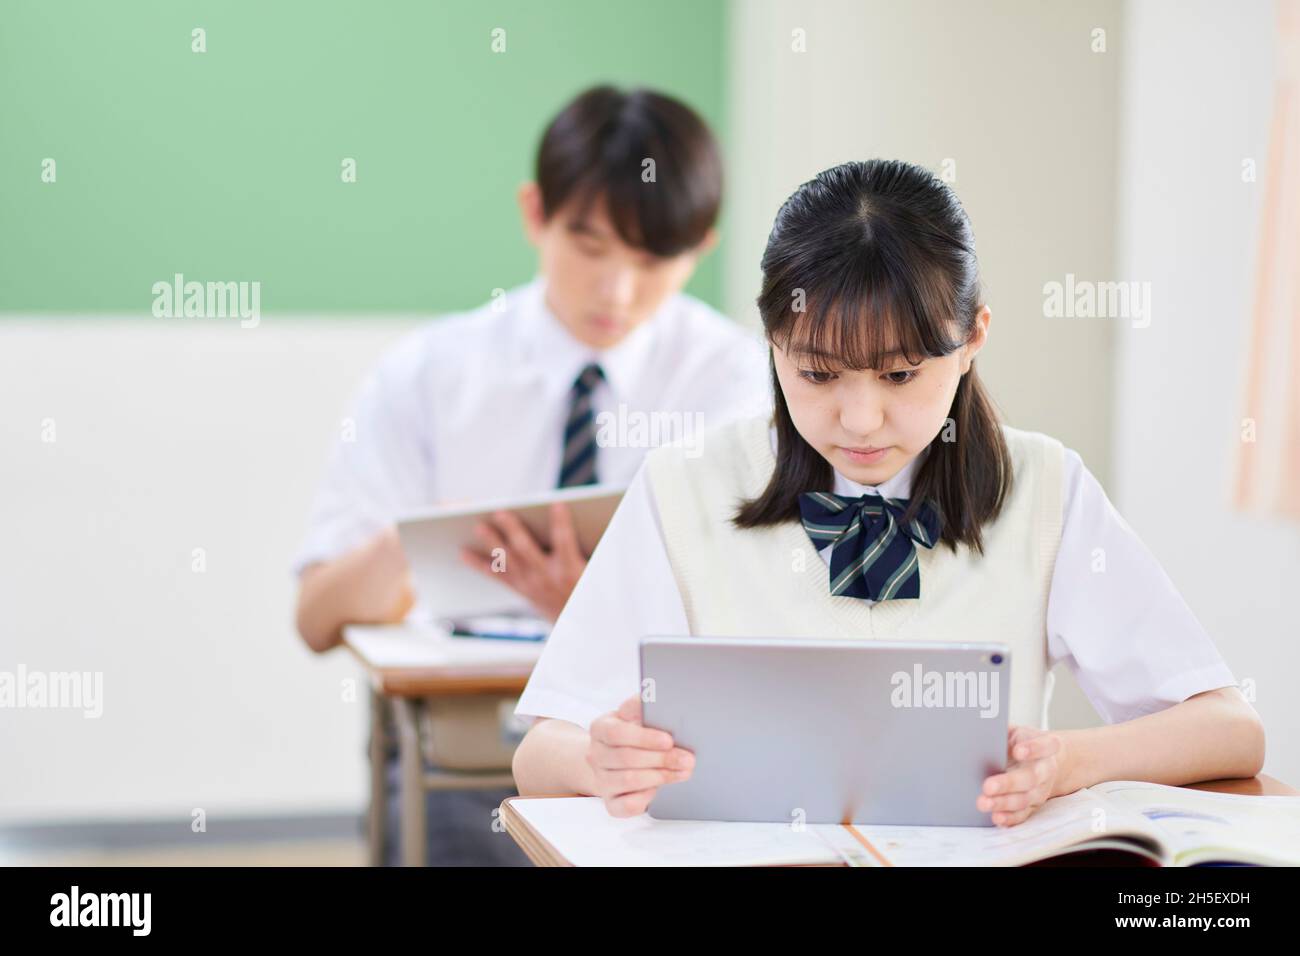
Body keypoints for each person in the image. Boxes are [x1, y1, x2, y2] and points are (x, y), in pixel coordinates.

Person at [511, 158, 1265, 827]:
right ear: (773, 343)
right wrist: (597, 764)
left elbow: (1230, 729)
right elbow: (541, 750)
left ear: (973, 340)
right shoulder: (682, 485)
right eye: (817, 374)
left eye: (901, 375)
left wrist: (1069, 762)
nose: (861, 419)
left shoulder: (1044, 489)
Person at [292, 86, 770, 864]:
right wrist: (419, 545)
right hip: (459, 749)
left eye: (653, 259)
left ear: (702, 245)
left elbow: (760, 616)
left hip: (663, 763)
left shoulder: (739, 386)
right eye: (589, 247)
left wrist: (590, 608)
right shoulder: (430, 373)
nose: (616, 292)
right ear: (534, 213)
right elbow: (314, 619)